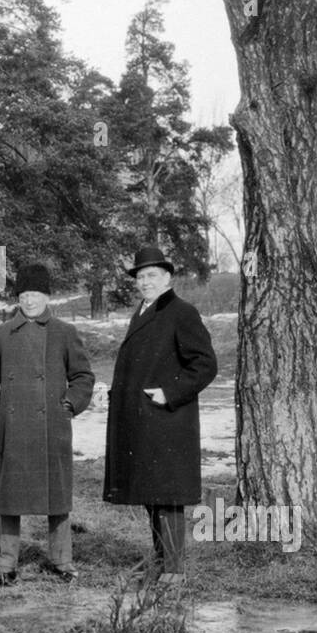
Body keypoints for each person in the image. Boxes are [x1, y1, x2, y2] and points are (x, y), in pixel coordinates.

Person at [0, 263, 94, 586]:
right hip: (13, 427)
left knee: (57, 499)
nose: (30, 301)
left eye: (36, 294)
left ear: (47, 296)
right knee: (10, 499)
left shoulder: (64, 333)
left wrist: (68, 405)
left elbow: (83, 376)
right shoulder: (2, 334)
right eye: (24, 295)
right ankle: (5, 564)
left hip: (51, 427)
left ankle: (62, 561)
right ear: (17, 298)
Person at [104, 246, 217, 586]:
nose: (144, 282)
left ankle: (173, 569)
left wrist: (170, 391)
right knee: (152, 494)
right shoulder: (142, 311)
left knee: (168, 496)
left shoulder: (182, 312)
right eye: (139, 276)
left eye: (151, 275)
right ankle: (159, 560)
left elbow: (206, 364)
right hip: (143, 420)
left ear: (168, 277)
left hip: (168, 419)